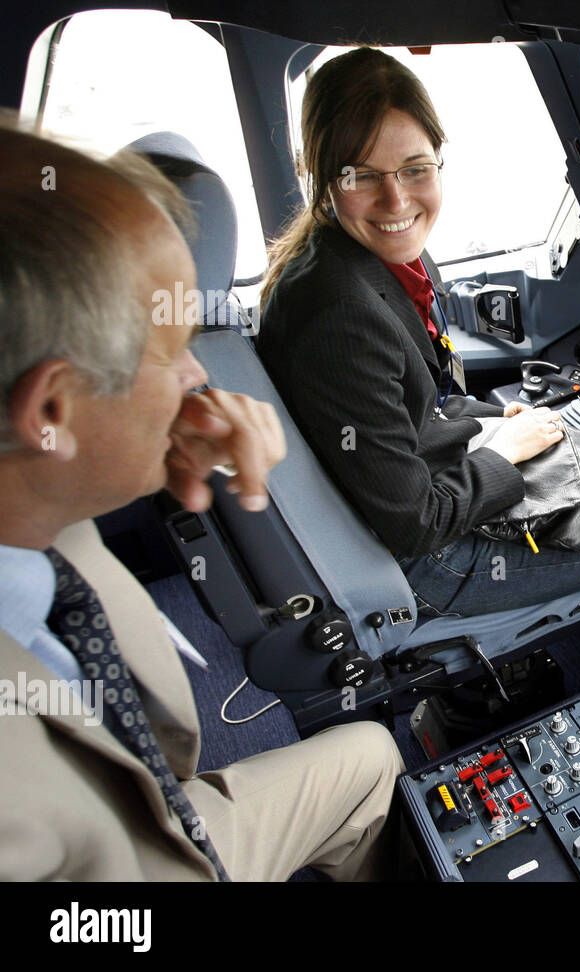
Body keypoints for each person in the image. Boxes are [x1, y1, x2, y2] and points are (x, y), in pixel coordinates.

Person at [0, 123, 403, 881]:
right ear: (50, 407)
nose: (199, 376)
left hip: (155, 803)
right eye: (173, 348)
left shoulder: (32, 488)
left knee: (373, 756)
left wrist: (138, 431)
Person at [256, 47, 580, 620]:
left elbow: (417, 407)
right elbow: (416, 524)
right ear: (323, 177)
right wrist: (506, 451)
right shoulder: (339, 313)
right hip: (434, 563)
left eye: (415, 169)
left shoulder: (364, 258)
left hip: (438, 478)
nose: (396, 201)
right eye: (362, 176)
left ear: (438, 161)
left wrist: (496, 420)